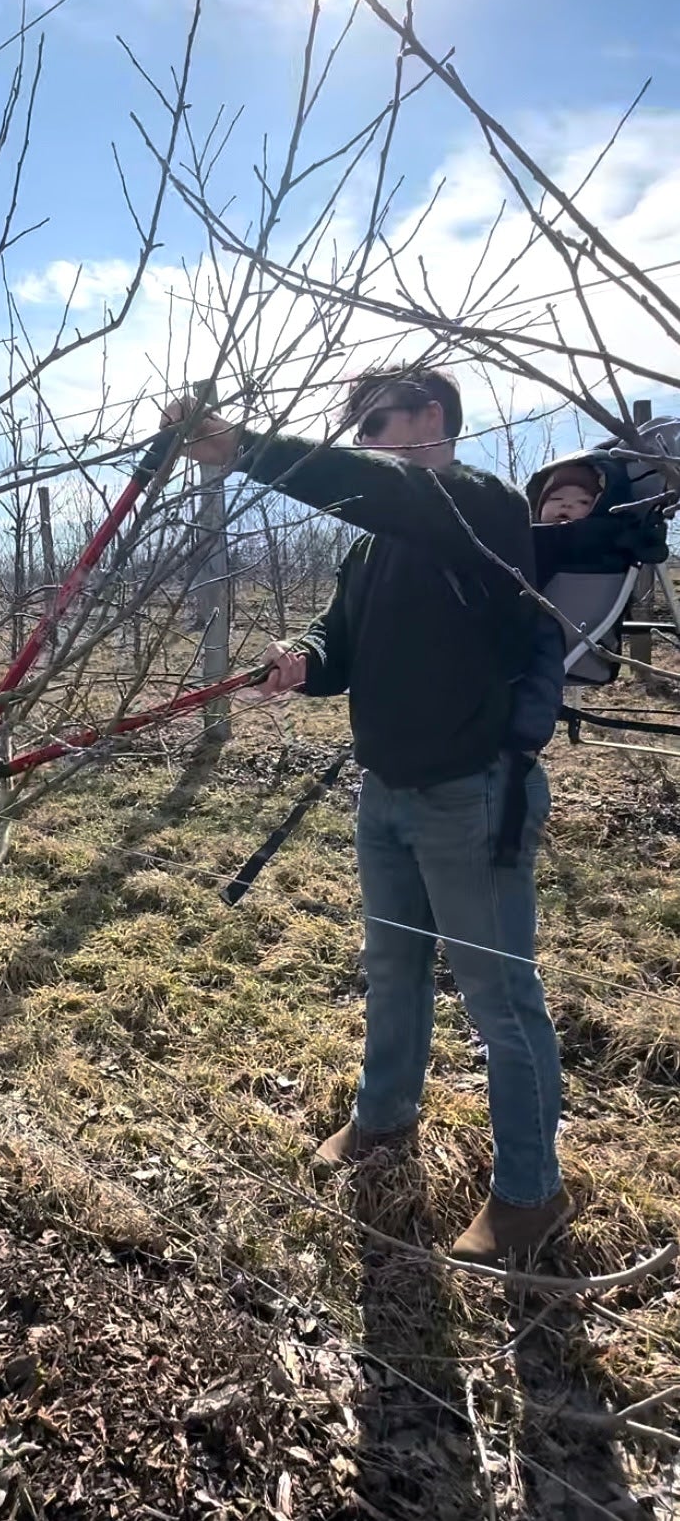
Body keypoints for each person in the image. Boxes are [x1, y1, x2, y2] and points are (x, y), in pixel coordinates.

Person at [163, 369, 573, 1265]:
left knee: (501, 1002)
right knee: (390, 969)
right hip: (385, 792)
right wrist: (299, 659)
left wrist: (246, 450)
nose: (366, 437)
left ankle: (529, 1192)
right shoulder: (373, 547)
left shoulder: (481, 509)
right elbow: (336, 638)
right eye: (357, 425)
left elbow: (384, 490)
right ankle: (383, 1118)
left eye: (377, 420)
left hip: (474, 795)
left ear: (433, 418)